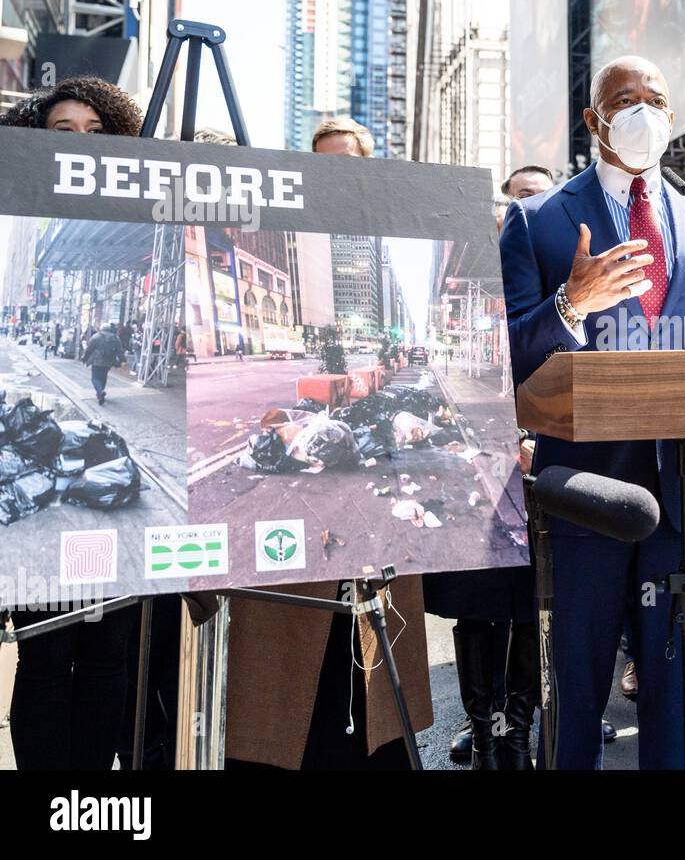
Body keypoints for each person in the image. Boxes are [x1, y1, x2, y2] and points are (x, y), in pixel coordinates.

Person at [499, 55, 685, 769]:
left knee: (676, 698)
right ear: (594, 119)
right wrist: (569, 305)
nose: (642, 110)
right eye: (624, 99)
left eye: (655, 99)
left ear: (674, 118)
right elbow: (507, 358)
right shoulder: (537, 221)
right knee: (577, 695)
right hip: (585, 495)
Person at [222, 117, 434, 770]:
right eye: (322, 165)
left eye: (349, 164)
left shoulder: (397, 251)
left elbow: (422, 358)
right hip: (298, 488)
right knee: (291, 669)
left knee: (372, 669)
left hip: (375, 478)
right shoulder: (292, 245)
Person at [3, 75, 143, 770]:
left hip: (101, 512)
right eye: (64, 133)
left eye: (98, 134)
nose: (82, 146)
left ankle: (92, 804)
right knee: (46, 651)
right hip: (36, 514)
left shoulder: (146, 210)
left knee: (110, 654)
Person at [423, 164, 560, 769]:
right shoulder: (471, 272)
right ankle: (483, 730)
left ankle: (518, 733)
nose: (523, 208)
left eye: (537, 197)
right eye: (515, 199)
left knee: (532, 603)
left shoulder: (567, 275)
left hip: (542, 470)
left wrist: (533, 438)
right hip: (474, 470)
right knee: (478, 602)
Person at [83, 323, 125, 405]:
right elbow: (120, 351)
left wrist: (84, 358)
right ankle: (100, 394)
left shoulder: (96, 337)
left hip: (96, 361)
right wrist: (123, 361)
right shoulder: (115, 338)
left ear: (101, 329)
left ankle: (100, 391)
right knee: (103, 377)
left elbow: (89, 349)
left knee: (94, 378)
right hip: (109, 361)